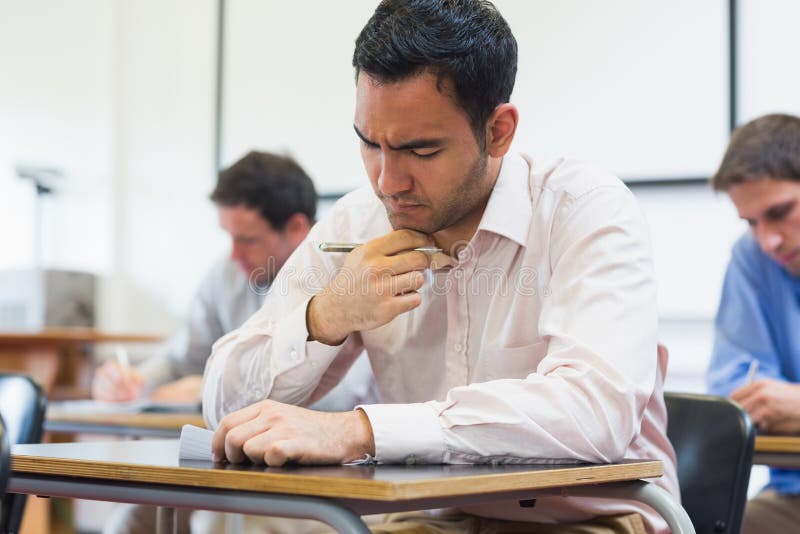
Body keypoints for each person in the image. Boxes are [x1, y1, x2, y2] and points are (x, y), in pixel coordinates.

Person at [203, 1, 679, 533]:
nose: (387, 181)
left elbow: (595, 414)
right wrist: (325, 316)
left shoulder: (583, 210)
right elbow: (223, 405)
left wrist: (362, 432)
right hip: (432, 518)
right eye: (368, 143)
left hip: (587, 518)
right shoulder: (359, 221)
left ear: (498, 131)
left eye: (421, 150)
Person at [95, 151, 378, 534]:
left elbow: (345, 397)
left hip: (313, 473)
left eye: (246, 239)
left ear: (296, 228)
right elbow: (182, 355)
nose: (233, 253)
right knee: (133, 516)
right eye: (228, 237)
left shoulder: (348, 276)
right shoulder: (227, 275)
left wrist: (205, 393)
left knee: (220, 520)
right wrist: (134, 380)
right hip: (224, 459)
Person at [707, 113, 800, 534]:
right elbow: (739, 395)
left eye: (780, 213)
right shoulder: (751, 258)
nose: (769, 240)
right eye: (751, 222)